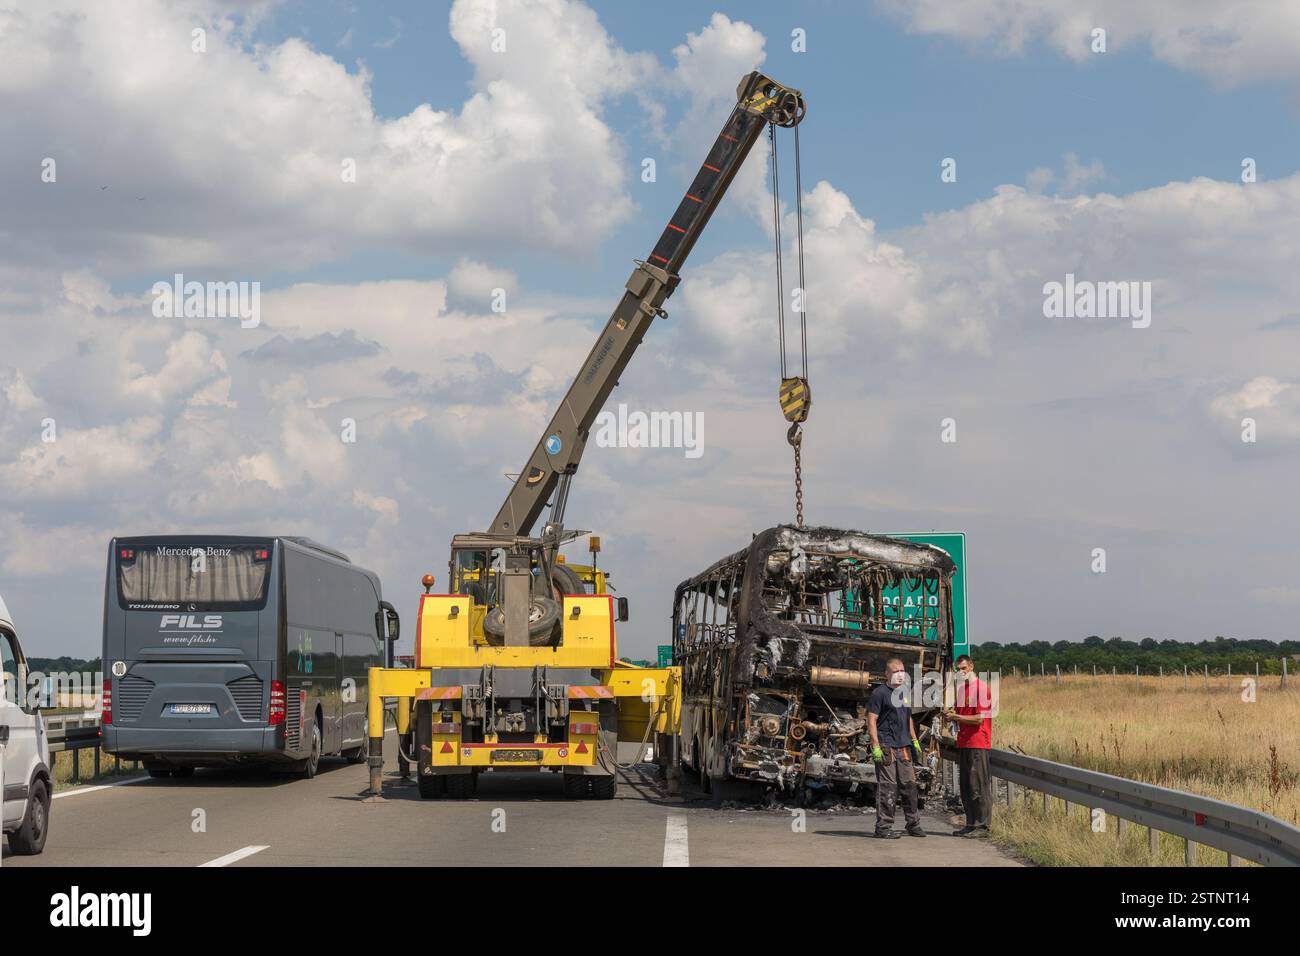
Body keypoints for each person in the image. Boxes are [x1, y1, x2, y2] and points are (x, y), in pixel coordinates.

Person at [866, 657, 925, 839]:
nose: (899, 674)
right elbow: (871, 719)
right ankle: (883, 827)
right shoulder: (879, 693)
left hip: (904, 745)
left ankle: (913, 824)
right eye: (895, 671)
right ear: (887, 674)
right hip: (886, 746)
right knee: (888, 787)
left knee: (910, 786)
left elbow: (908, 718)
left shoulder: (904, 692)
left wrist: (914, 740)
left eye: (902, 671)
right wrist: (875, 745)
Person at [944, 654, 993, 838]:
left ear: (971, 666)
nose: (961, 672)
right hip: (964, 741)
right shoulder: (962, 690)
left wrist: (955, 717)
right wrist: (950, 714)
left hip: (978, 743)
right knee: (966, 785)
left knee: (977, 785)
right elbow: (958, 712)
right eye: (958, 669)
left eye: (964, 668)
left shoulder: (981, 689)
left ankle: (982, 826)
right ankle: (971, 823)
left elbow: (979, 719)